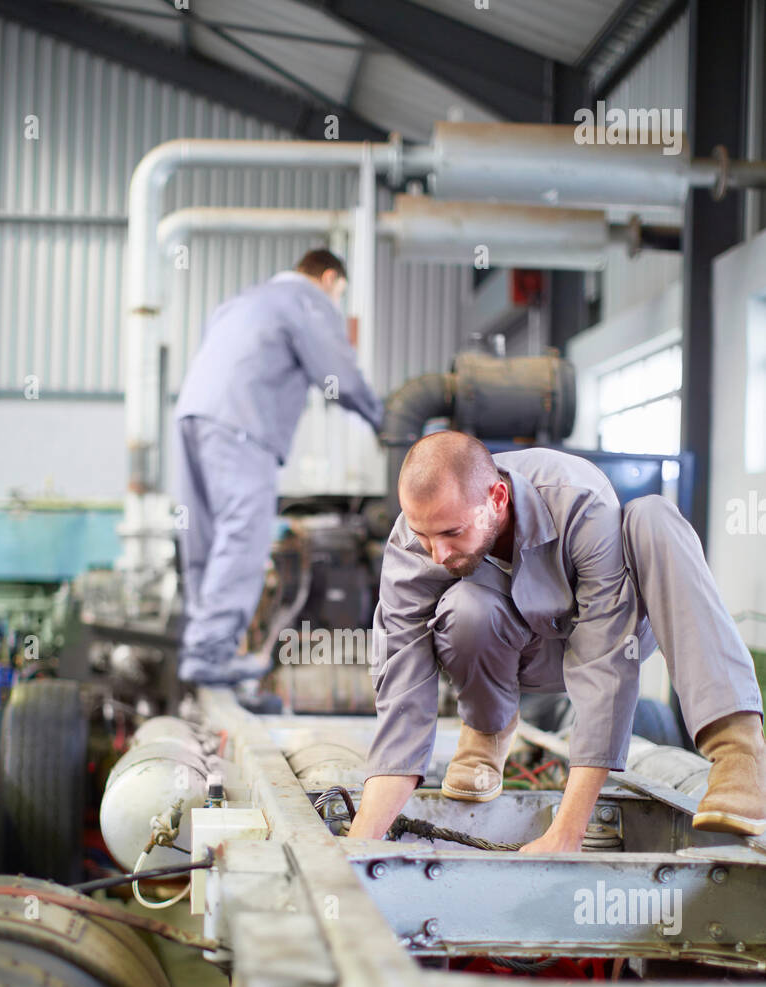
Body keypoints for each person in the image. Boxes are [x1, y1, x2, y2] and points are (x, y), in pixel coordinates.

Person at [347, 430, 766, 849]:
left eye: (452, 533)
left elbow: (604, 660)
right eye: (425, 535)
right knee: (466, 608)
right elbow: (401, 681)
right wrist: (360, 843)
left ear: (496, 498)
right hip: (525, 653)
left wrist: (567, 830)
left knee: (654, 517)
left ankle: (739, 752)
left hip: (618, 632)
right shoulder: (415, 537)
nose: (437, 554)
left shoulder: (577, 496)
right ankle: (488, 732)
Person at [173, 248, 384, 684]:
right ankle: (211, 652)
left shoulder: (245, 300)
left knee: (204, 536)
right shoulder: (307, 300)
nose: (336, 303)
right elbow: (337, 377)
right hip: (242, 424)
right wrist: (382, 419)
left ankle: (202, 646)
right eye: (338, 294)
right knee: (243, 533)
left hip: (193, 415)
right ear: (328, 279)